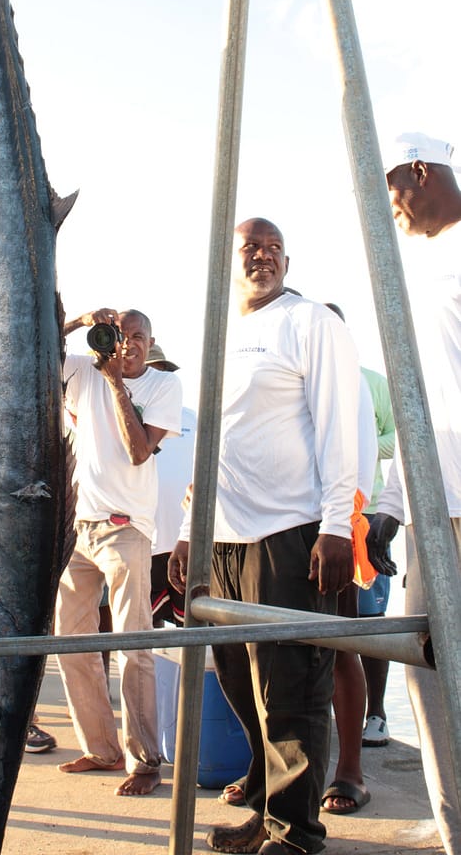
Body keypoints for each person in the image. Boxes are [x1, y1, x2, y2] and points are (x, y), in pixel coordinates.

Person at [169, 217, 360, 855]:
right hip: (222, 540)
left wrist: (336, 526)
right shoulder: (221, 334)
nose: (263, 256)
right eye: (251, 246)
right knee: (241, 688)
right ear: (229, 260)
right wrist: (188, 530)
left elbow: (340, 427)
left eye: (274, 247)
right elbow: (209, 441)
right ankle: (268, 810)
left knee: (293, 694)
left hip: (289, 533)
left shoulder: (311, 323)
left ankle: (296, 833)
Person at [367, 131, 461, 855]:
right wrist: (392, 505)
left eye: (387, 182)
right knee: (422, 656)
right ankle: (454, 819)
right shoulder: (418, 271)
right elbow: (416, 404)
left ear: (421, 171)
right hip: (435, 508)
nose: (383, 204)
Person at [55, 308, 182, 796]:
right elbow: (40, 346)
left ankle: (145, 760)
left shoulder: (162, 387)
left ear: (151, 343)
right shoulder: (82, 369)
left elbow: (137, 450)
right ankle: (100, 748)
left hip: (126, 530)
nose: (127, 345)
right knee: (70, 641)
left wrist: (114, 384)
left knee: (134, 646)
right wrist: (80, 319)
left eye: (137, 337)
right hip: (77, 527)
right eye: (119, 335)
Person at [318, 304, 377, 816]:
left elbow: (359, 465)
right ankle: (269, 769)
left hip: (333, 529)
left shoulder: (352, 381)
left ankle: (350, 769)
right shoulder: (303, 374)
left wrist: (335, 529)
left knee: (340, 647)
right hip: (279, 527)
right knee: (275, 651)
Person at [145, 343, 196, 629]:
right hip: (145, 543)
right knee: (145, 629)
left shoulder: (191, 418)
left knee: (187, 627)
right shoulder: (129, 419)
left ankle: (183, 677)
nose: (159, 380)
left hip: (184, 543)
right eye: (152, 373)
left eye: (163, 372)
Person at [358, 366, 395, 747]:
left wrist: (360, 441)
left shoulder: (372, 382)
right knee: (318, 620)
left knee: (370, 618)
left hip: (368, 513)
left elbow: (399, 436)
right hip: (310, 513)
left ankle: (377, 714)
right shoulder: (300, 376)